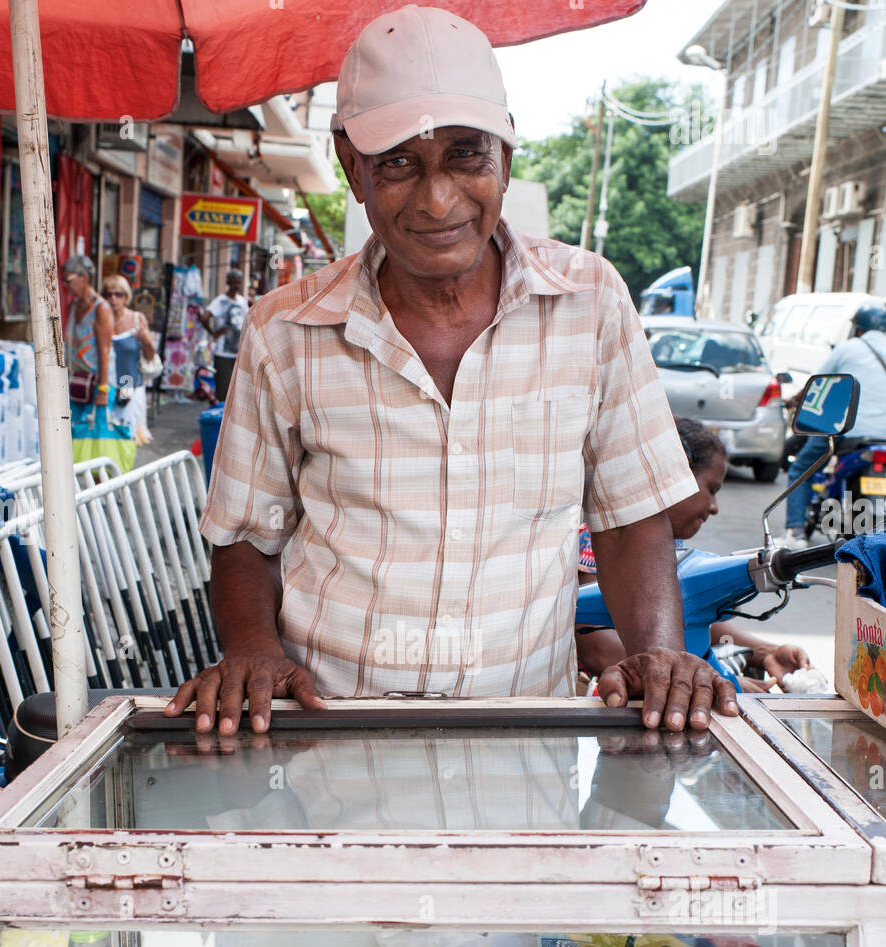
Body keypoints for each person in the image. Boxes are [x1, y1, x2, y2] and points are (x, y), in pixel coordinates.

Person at [166, 5, 737, 735]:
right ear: (351, 167)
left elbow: (629, 519)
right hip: (330, 734)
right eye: (398, 163)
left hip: (524, 738)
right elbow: (245, 534)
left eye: (465, 155)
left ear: (506, 151)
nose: (437, 200)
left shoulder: (590, 301)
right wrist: (251, 650)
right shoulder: (285, 327)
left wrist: (657, 653)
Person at [577, 419, 811, 690]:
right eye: (711, 490)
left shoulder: (669, 549)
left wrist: (766, 651)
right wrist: (717, 682)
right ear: (676, 478)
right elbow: (599, 652)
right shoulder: (600, 542)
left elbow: (695, 619)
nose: (714, 508)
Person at [782, 301, 886, 545]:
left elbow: (817, 384)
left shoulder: (847, 348)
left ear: (858, 329)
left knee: (801, 469)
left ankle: (795, 533)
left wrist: (793, 400)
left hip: (849, 431)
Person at [101, 273, 160, 448]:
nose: (113, 299)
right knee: (105, 433)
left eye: (118, 294)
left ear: (126, 296)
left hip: (128, 382)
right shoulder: (100, 319)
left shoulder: (136, 319)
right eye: (109, 294)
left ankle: (122, 469)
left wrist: (145, 340)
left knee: (125, 432)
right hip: (106, 384)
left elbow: (150, 355)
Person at [63, 255, 113, 416]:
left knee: (91, 434)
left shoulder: (101, 308)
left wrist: (103, 389)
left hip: (94, 384)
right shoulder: (74, 306)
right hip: (74, 382)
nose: (66, 285)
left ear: (84, 277)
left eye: (68, 280)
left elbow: (104, 351)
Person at [198, 270, 248, 401]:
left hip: (238, 353)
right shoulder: (221, 301)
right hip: (223, 353)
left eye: (238, 283)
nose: (236, 286)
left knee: (236, 392)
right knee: (223, 391)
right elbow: (204, 317)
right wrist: (214, 332)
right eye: (233, 282)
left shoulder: (242, 302)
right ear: (228, 283)